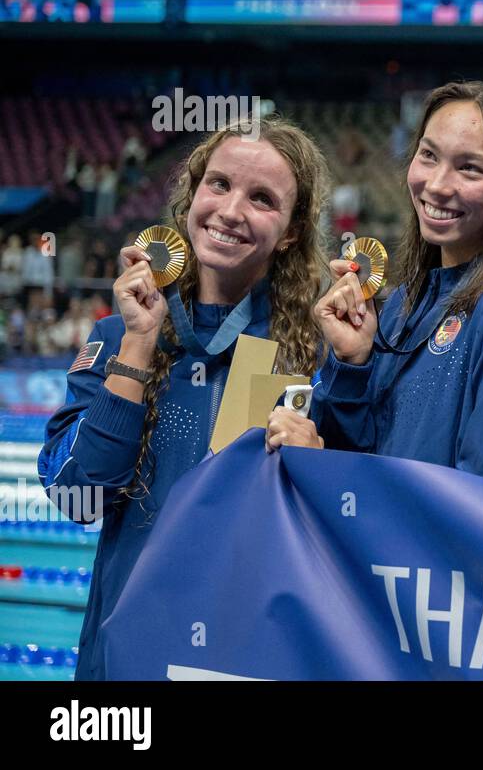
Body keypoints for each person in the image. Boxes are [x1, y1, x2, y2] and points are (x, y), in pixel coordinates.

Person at [39, 117, 331, 679]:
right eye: (218, 184)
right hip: (126, 656)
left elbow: (342, 529)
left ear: (292, 231)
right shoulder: (118, 334)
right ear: (192, 194)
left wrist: (317, 465)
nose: (230, 210)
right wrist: (139, 346)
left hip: (241, 655)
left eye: (262, 198)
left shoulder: (312, 355)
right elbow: (77, 500)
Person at [279, 82, 483, 489]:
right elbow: (363, 456)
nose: (437, 185)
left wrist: (319, 466)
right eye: (428, 156)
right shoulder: (401, 305)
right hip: (377, 552)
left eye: (470, 168)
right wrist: (352, 364)